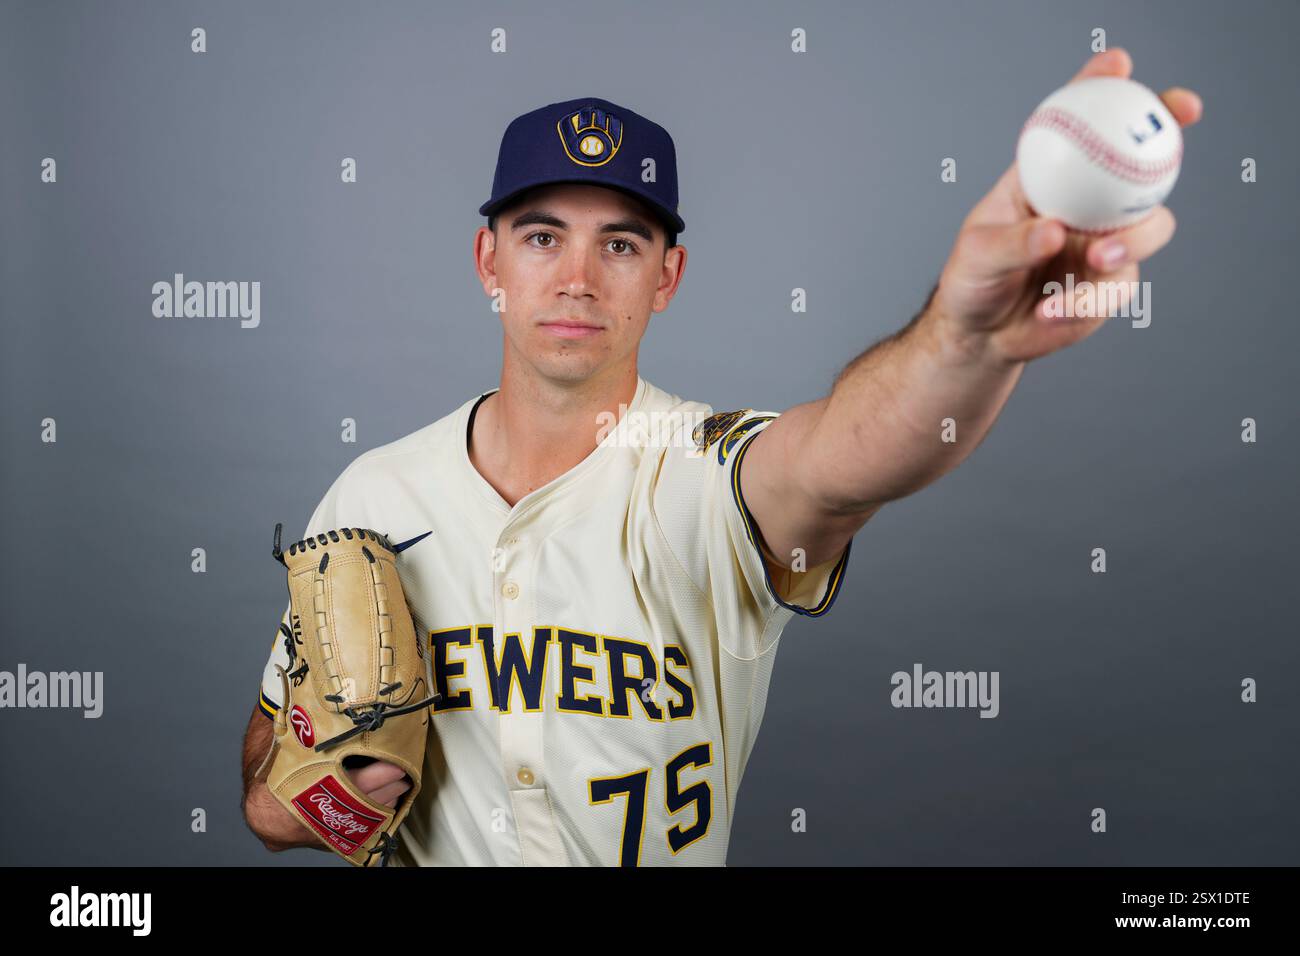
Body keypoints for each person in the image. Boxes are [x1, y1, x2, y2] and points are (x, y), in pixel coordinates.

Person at [241, 49, 1202, 865]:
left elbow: (841, 457)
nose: (576, 278)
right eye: (542, 237)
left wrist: (966, 340)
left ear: (669, 275)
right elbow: (264, 801)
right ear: (490, 261)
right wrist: (344, 793)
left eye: (620, 244)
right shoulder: (375, 490)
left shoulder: (704, 470)